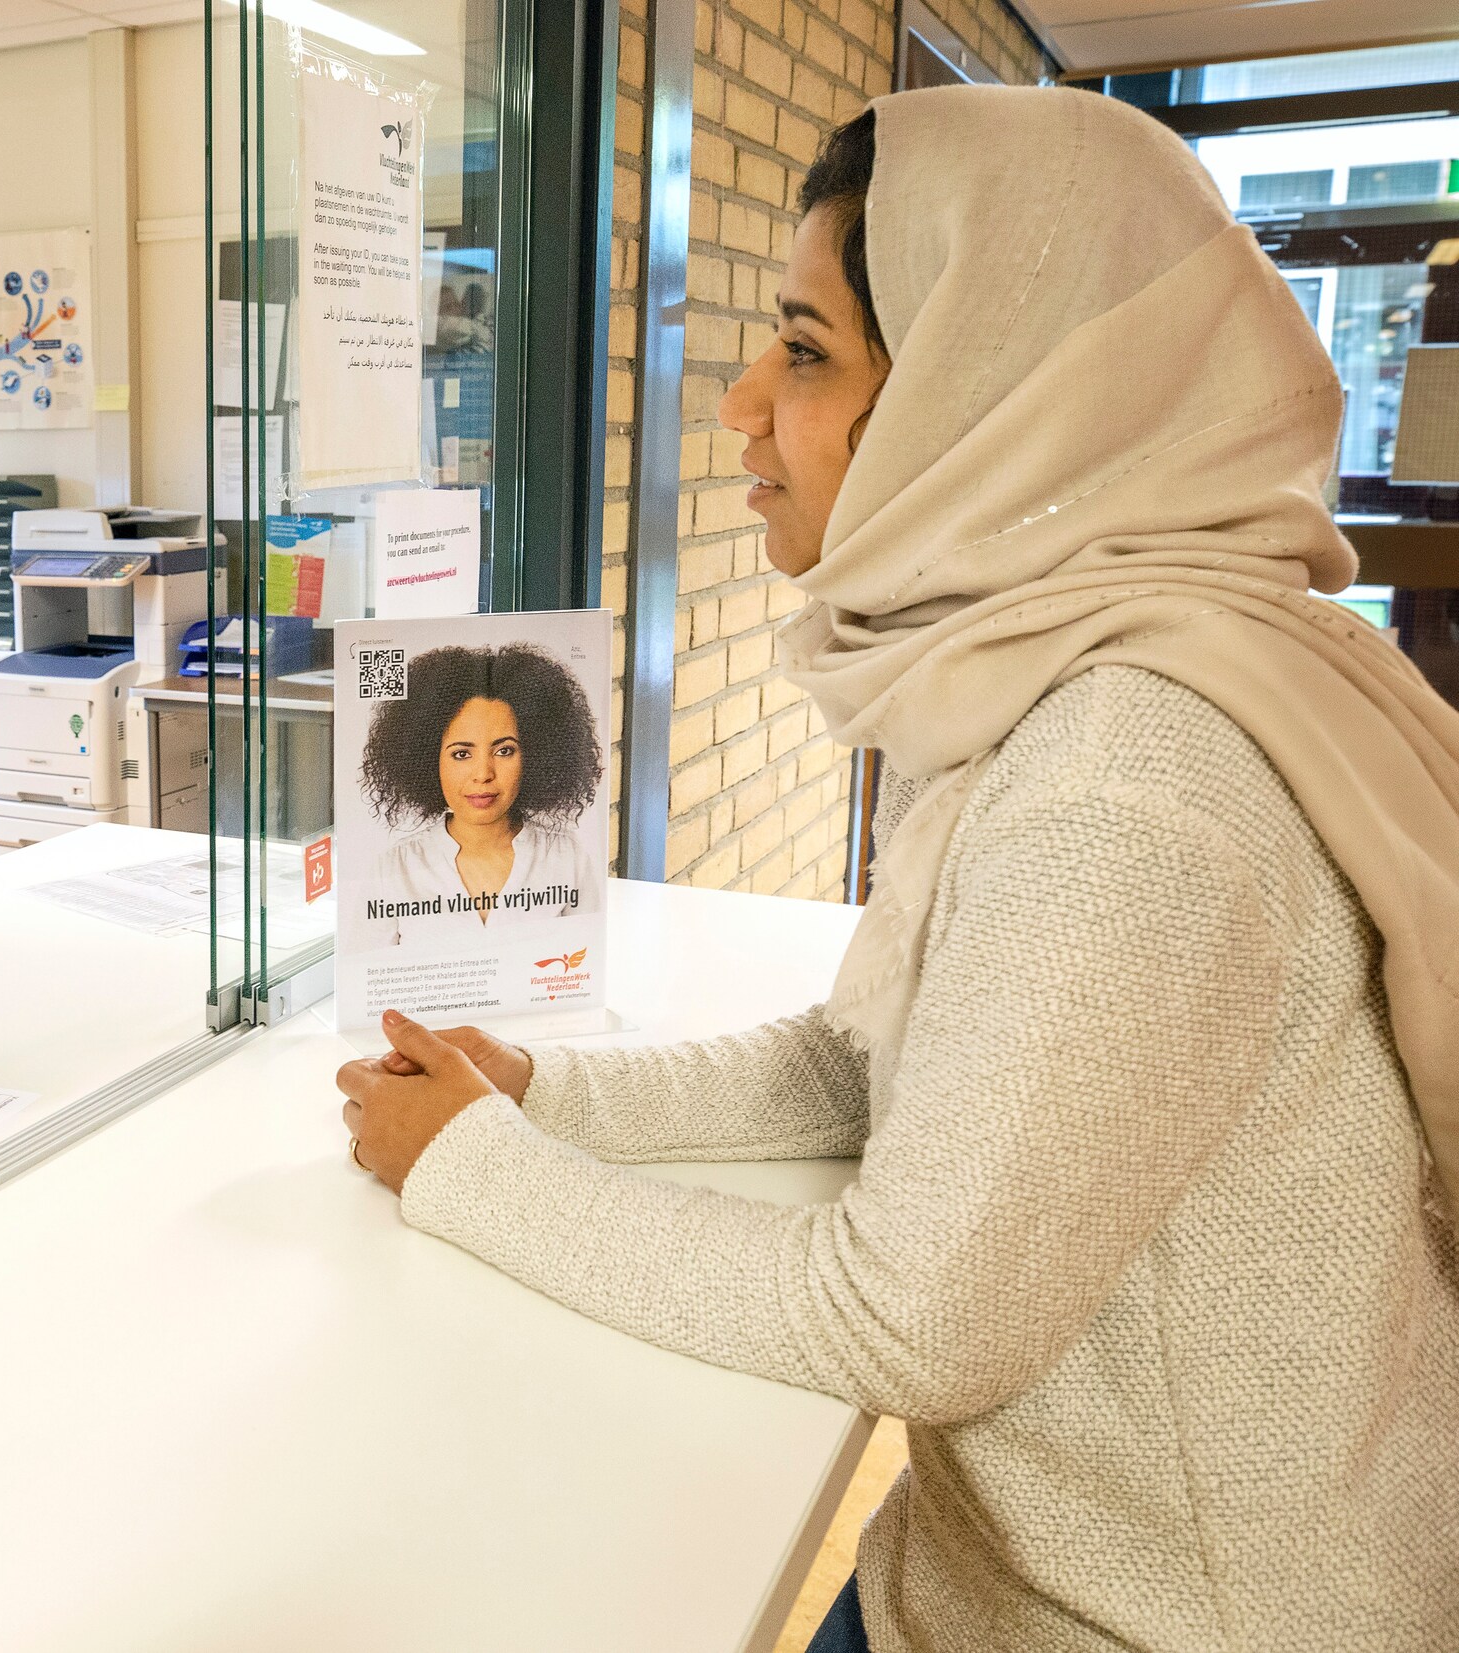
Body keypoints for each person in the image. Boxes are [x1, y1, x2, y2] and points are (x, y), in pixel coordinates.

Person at [336, 87, 1459, 1653]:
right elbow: (880, 1065)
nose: (738, 403)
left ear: (986, 398)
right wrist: (541, 1093)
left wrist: (463, 1167)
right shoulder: (1057, 670)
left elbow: (909, 1314)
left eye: (805, 352)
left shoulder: (1125, 777)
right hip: (987, 1575)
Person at [356, 642, 602, 944]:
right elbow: (371, 978)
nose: (483, 774)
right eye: (461, 754)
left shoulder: (567, 859)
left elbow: (584, 967)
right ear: (426, 759)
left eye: (504, 750)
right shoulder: (394, 869)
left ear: (536, 754)